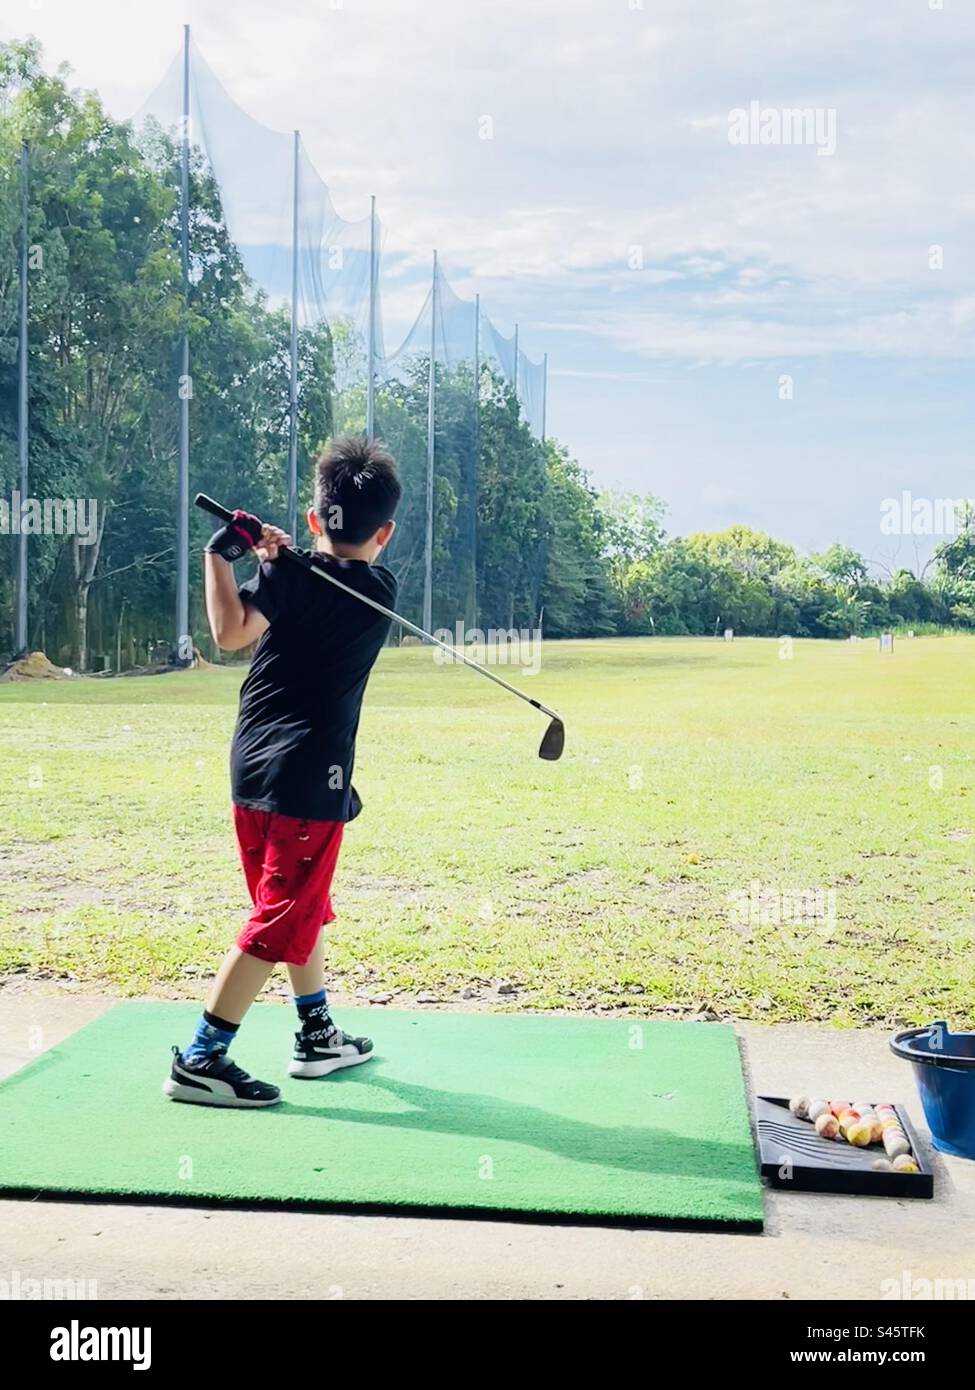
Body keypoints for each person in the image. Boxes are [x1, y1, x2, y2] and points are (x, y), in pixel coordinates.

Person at [163, 436, 401, 1107]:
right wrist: (285, 563)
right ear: (383, 531)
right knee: (277, 921)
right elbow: (317, 591)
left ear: (313, 518)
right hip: (308, 777)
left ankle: (316, 1033)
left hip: (253, 767)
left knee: (299, 909)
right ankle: (202, 1060)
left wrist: (222, 557)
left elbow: (230, 633)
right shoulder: (381, 586)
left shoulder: (290, 573)